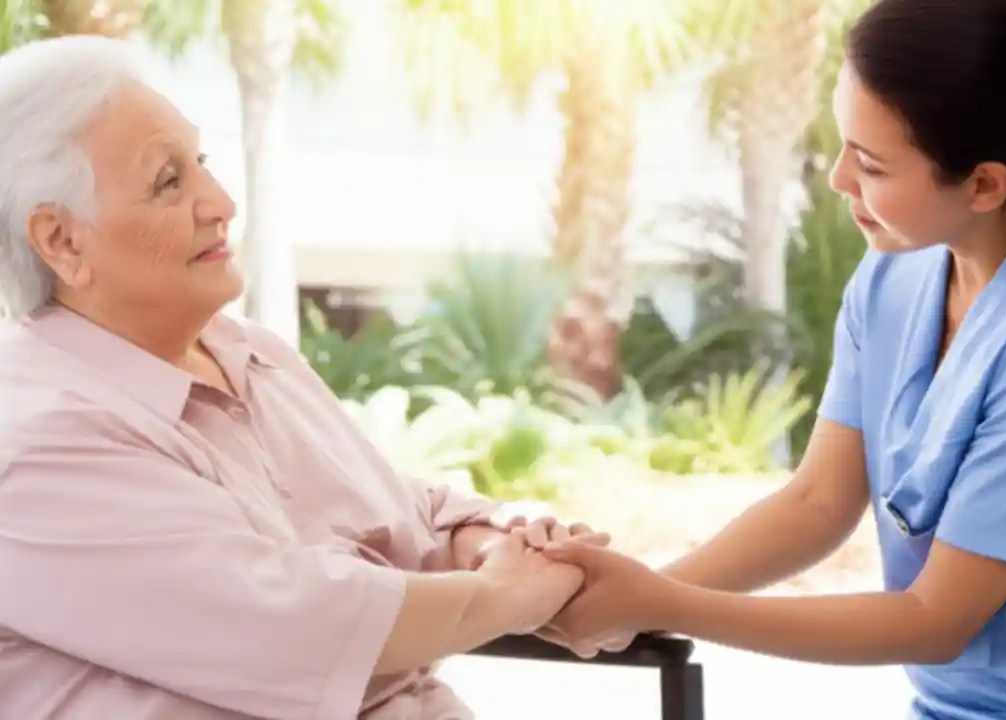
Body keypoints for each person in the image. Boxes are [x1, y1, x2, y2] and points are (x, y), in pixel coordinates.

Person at [540, 0, 1006, 717]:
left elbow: (933, 620)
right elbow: (817, 504)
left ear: (984, 185)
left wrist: (667, 604)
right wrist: (638, 597)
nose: (839, 180)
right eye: (844, 144)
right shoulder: (896, 275)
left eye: (872, 164)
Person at [0, 36, 602, 720]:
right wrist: (502, 598)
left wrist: (493, 541)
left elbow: (403, 512)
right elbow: (292, 628)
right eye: (169, 181)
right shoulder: (34, 439)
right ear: (61, 242)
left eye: (200, 164)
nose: (221, 202)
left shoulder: (247, 355)